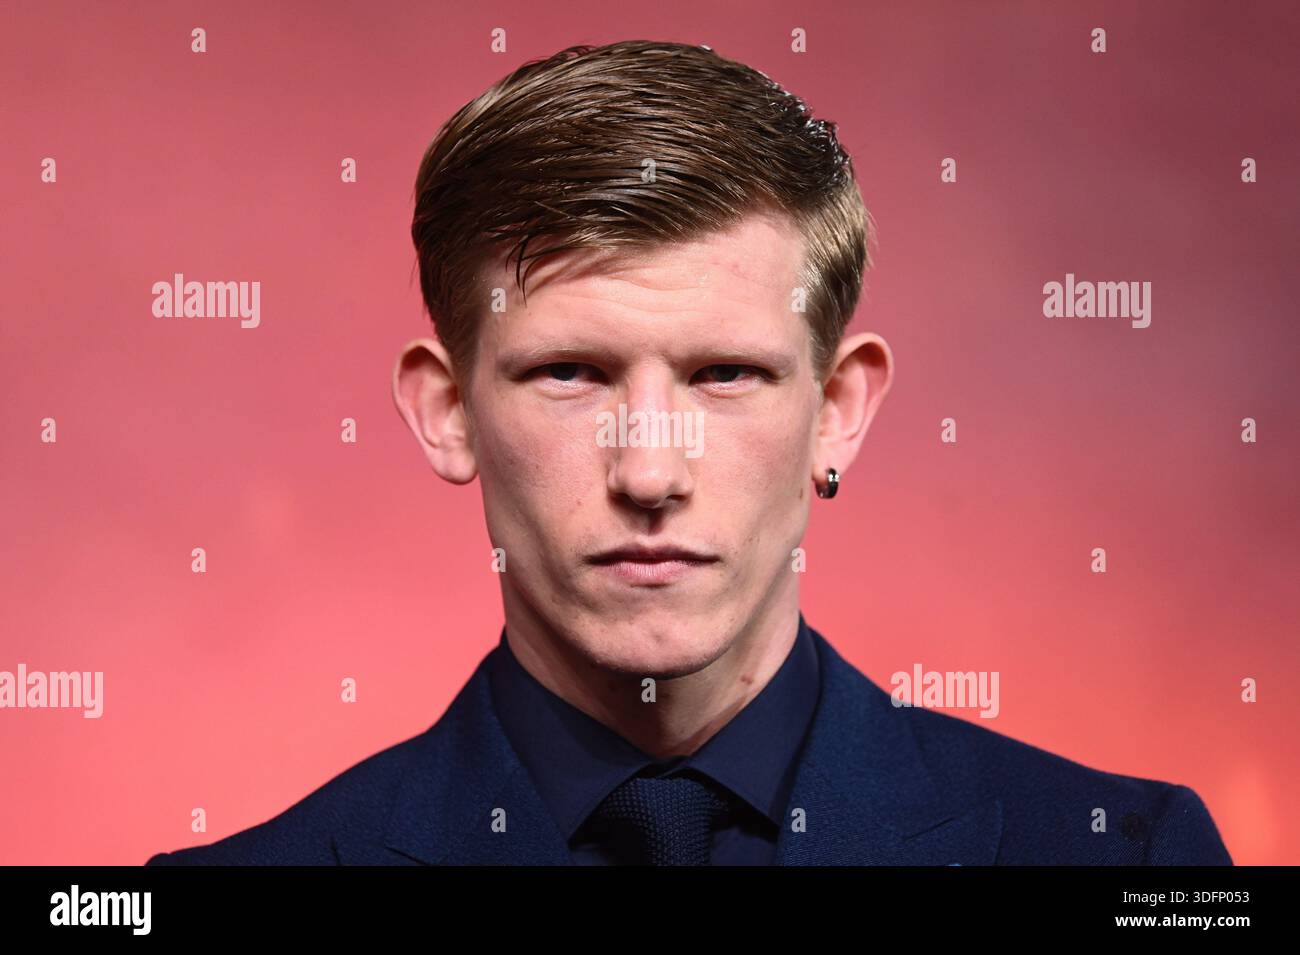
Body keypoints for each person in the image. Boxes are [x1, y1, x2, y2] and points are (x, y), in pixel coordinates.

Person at [146, 40, 1231, 866]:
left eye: (725, 376)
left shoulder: (1127, 857)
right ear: (447, 412)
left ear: (837, 408)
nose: (651, 475)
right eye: (570, 374)